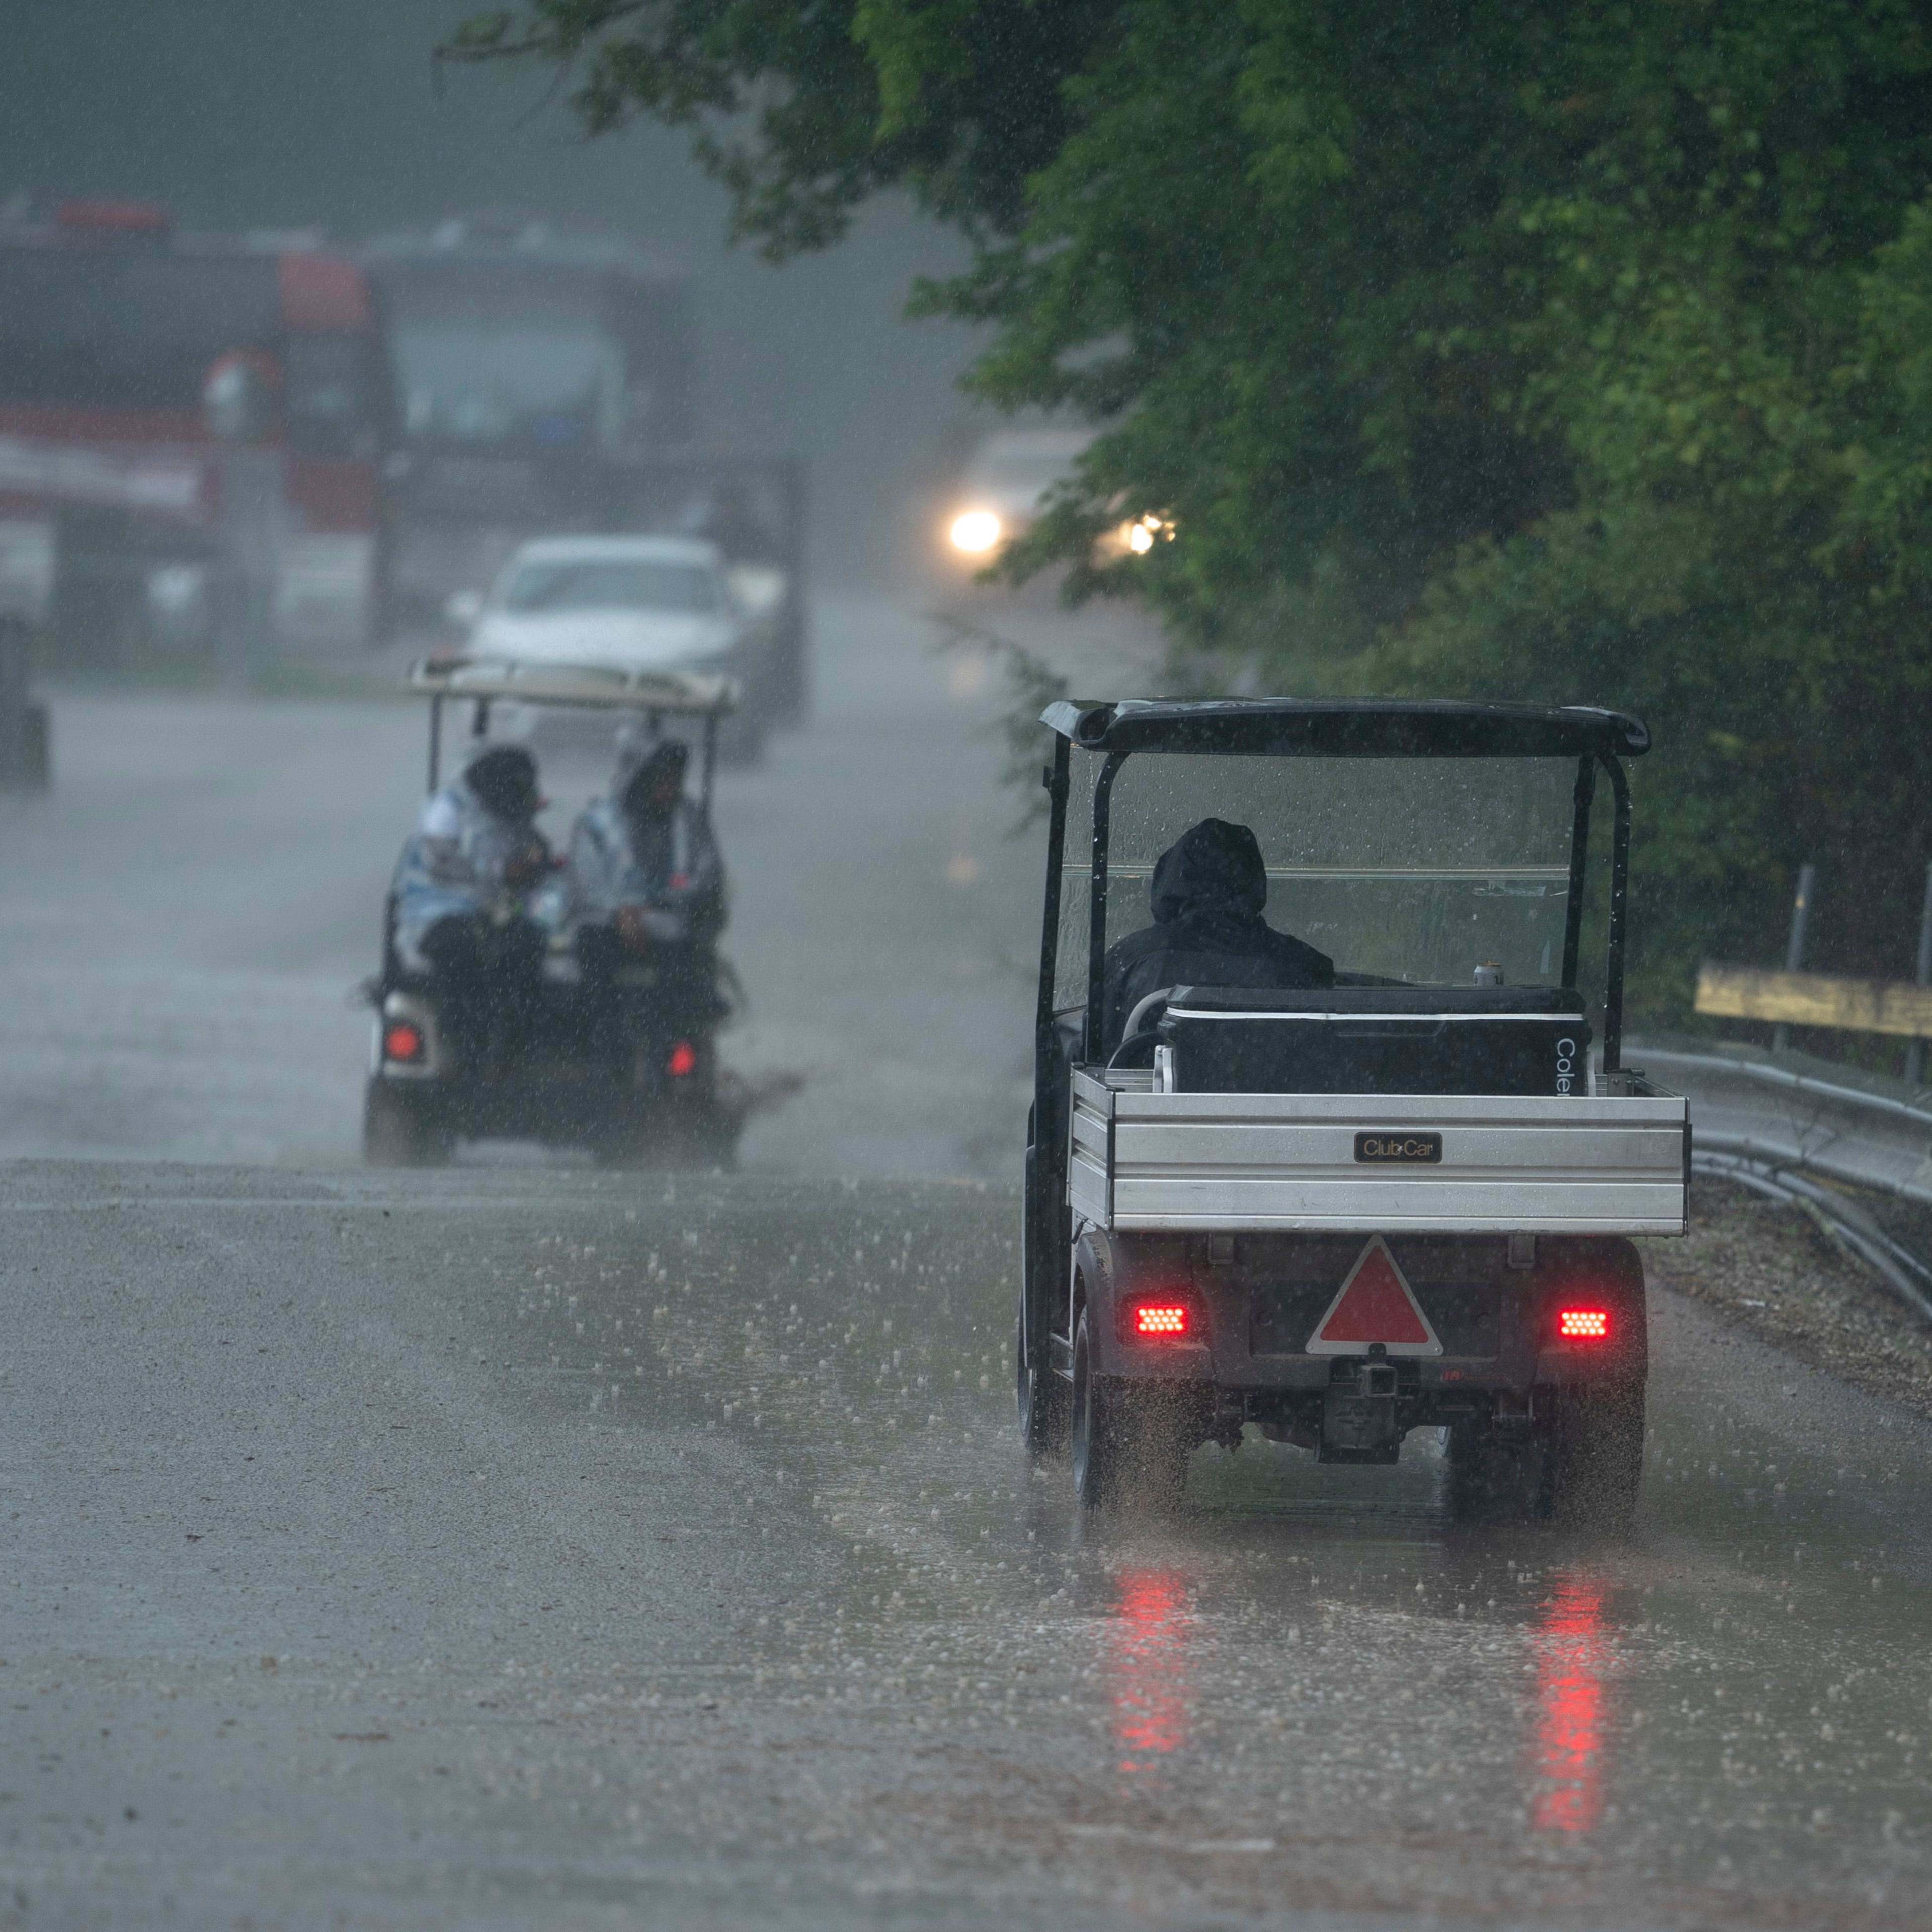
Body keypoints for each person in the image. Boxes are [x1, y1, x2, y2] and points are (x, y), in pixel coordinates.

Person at [1101, 816, 1333, 1052]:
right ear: (1254, 880)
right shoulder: (1303, 964)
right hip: (1278, 1085)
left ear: (1171, 877)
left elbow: (1097, 1057)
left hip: (1151, 1086)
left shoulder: (1131, 958)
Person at [389, 741, 554, 1063]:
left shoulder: (511, 814)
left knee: (526, 947)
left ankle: (518, 1048)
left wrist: (537, 862)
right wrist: (502, 871)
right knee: (461, 951)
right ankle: (461, 1048)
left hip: (495, 914)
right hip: (436, 915)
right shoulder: (446, 811)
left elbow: (532, 859)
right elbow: (441, 862)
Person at [567, 729, 726, 959]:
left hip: (676, 928)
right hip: (606, 930)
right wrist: (620, 910)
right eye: (665, 780)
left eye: (677, 779)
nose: (674, 789)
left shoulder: (691, 822)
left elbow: (709, 874)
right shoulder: (595, 824)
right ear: (640, 779)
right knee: (590, 943)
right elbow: (585, 882)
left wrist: (661, 902)